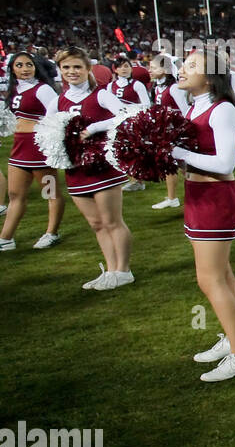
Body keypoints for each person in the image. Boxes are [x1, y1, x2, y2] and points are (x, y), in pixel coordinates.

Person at [166, 45, 235, 383]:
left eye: (193, 66)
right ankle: (234, 340)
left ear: (210, 76)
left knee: (210, 279)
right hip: (200, 194)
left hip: (215, 197)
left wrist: (177, 151)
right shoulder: (196, 107)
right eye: (185, 64)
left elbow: (224, 163)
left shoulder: (219, 110)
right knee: (223, 275)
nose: (183, 69)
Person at [55, 47, 134, 289]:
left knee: (112, 221)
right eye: (66, 67)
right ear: (59, 70)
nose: (71, 72)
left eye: (77, 67)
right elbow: (46, 128)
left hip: (102, 165)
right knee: (96, 224)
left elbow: (126, 113)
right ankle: (111, 270)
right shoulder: (59, 99)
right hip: (75, 168)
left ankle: (124, 270)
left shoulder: (100, 94)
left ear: (88, 69)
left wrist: (95, 128)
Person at [1, 51, 66, 251]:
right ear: (12, 69)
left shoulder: (43, 89)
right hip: (19, 146)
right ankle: (6, 238)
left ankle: (51, 233)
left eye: (29, 64)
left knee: (50, 192)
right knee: (14, 194)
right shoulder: (14, 89)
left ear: (36, 66)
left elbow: (57, 116)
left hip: (39, 148)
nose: (24, 69)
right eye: (19, 65)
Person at [108, 55, 152, 192]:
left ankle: (138, 180)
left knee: (134, 150)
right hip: (118, 122)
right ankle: (133, 178)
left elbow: (146, 105)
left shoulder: (137, 84)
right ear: (115, 69)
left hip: (133, 122)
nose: (124, 69)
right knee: (122, 151)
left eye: (126, 66)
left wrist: (130, 112)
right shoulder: (111, 86)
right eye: (120, 66)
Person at [149, 53, 181, 209]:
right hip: (165, 131)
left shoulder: (174, 87)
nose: (150, 70)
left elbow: (186, 110)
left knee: (182, 166)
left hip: (176, 131)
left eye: (154, 67)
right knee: (169, 164)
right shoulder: (157, 87)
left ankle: (176, 197)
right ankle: (172, 197)